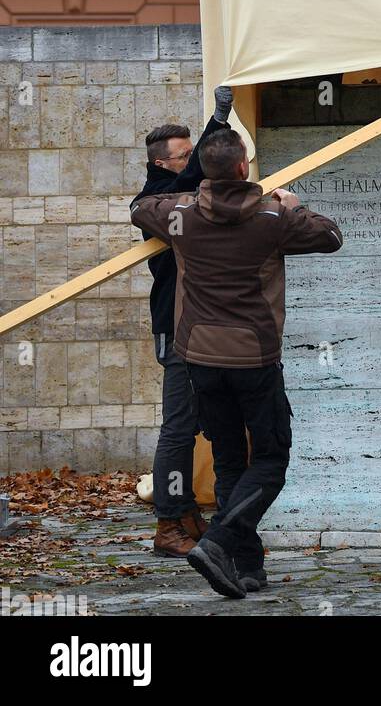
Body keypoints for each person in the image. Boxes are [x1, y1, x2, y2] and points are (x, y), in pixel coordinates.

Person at [130, 128, 343, 600]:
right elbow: (331, 236)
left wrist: (188, 187)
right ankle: (222, 542)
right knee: (270, 458)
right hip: (254, 358)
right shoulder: (272, 217)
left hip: (201, 358)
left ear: (203, 170)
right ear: (245, 167)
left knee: (229, 459)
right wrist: (291, 203)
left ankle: (247, 569)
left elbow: (139, 207)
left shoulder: (181, 215)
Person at [134, 84, 234, 558]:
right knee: (178, 426)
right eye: (183, 156)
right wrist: (218, 121)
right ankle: (169, 522)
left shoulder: (185, 188)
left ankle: (189, 510)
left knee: (205, 422)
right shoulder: (153, 200)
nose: (192, 161)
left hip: (207, 327)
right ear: (161, 164)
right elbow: (189, 184)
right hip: (178, 328)